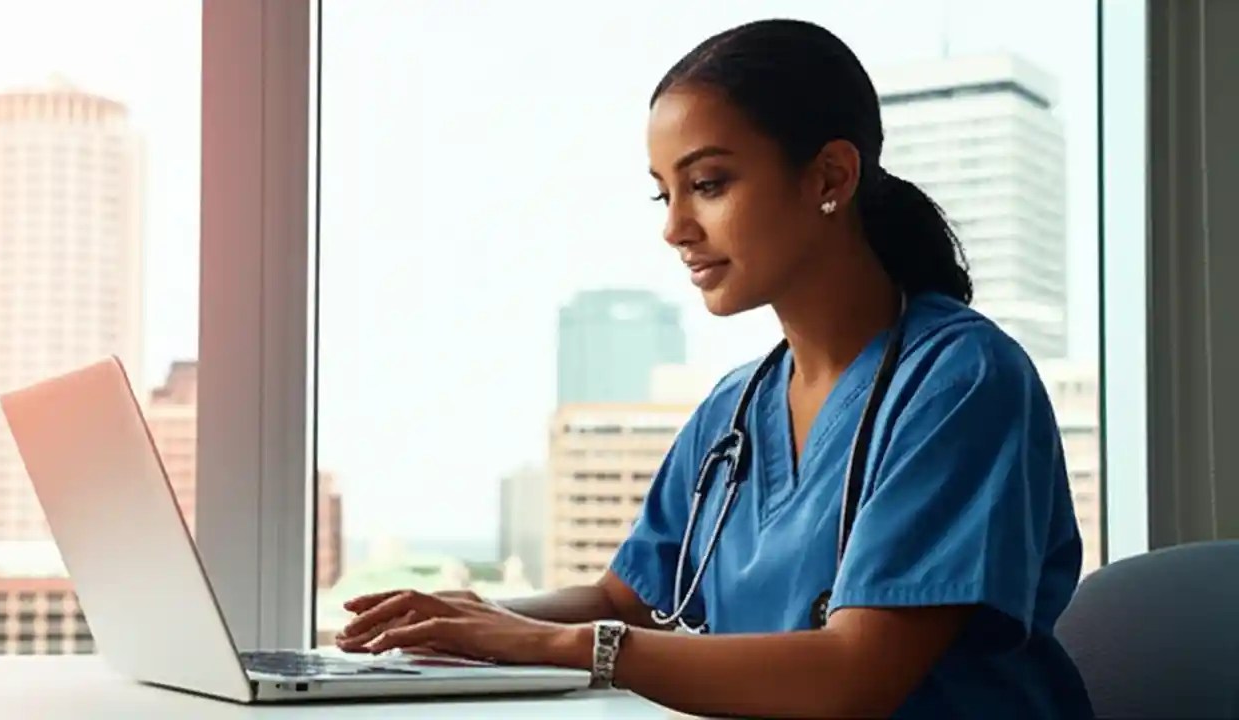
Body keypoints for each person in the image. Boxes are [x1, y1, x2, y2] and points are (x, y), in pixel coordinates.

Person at [336, 18, 1094, 719]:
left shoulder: (961, 381)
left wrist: (560, 646)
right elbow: (625, 598)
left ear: (830, 177)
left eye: (708, 184)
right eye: (664, 194)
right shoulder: (736, 410)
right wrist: (463, 620)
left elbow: (857, 673)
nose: (674, 228)